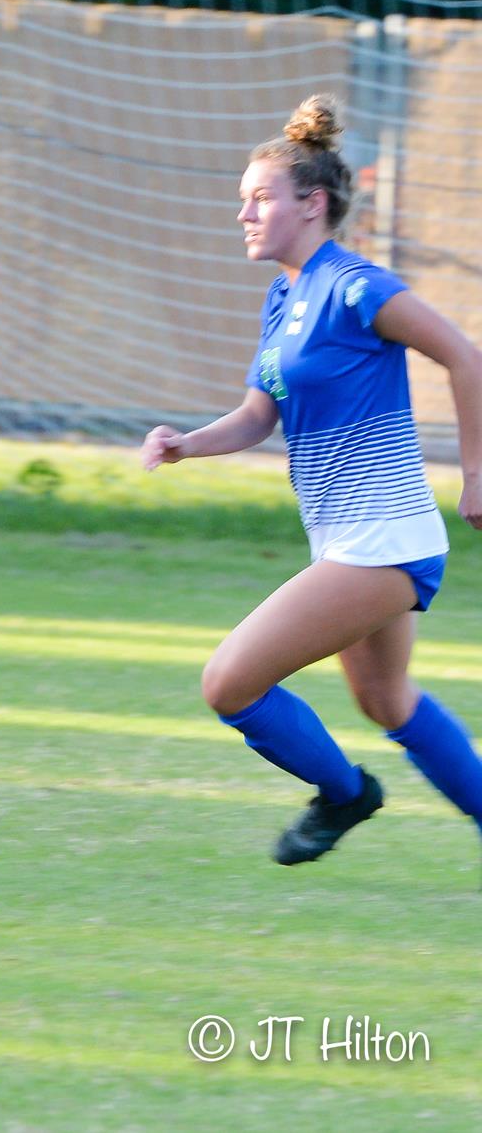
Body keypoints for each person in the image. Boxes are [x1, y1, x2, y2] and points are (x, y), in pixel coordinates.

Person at [141, 94, 482, 869]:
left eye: (260, 198)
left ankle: (344, 793)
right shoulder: (285, 296)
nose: (245, 215)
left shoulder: (357, 287)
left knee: (229, 682)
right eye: (243, 201)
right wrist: (186, 444)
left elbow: (466, 356)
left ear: (312, 203)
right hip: (352, 539)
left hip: (384, 540)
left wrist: (476, 473)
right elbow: (260, 413)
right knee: (387, 701)